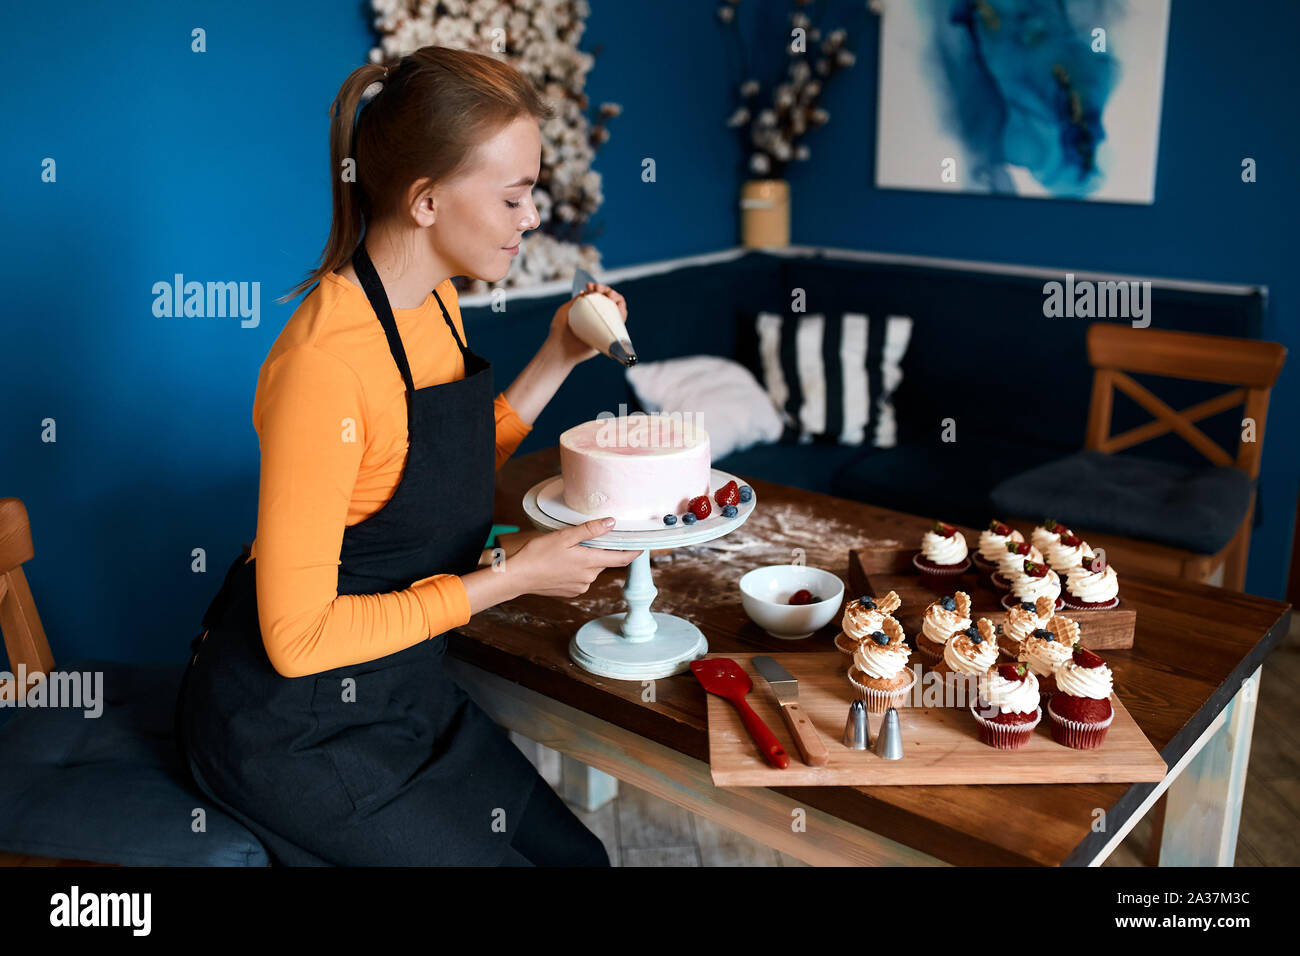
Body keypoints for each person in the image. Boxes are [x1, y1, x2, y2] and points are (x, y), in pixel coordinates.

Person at [175, 45, 640, 866]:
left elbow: (435, 466)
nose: (531, 219)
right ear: (426, 201)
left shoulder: (435, 303)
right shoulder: (322, 364)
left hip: (403, 690)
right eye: (513, 197)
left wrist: (558, 355)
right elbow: (298, 639)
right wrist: (511, 578)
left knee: (585, 862)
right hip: (294, 728)